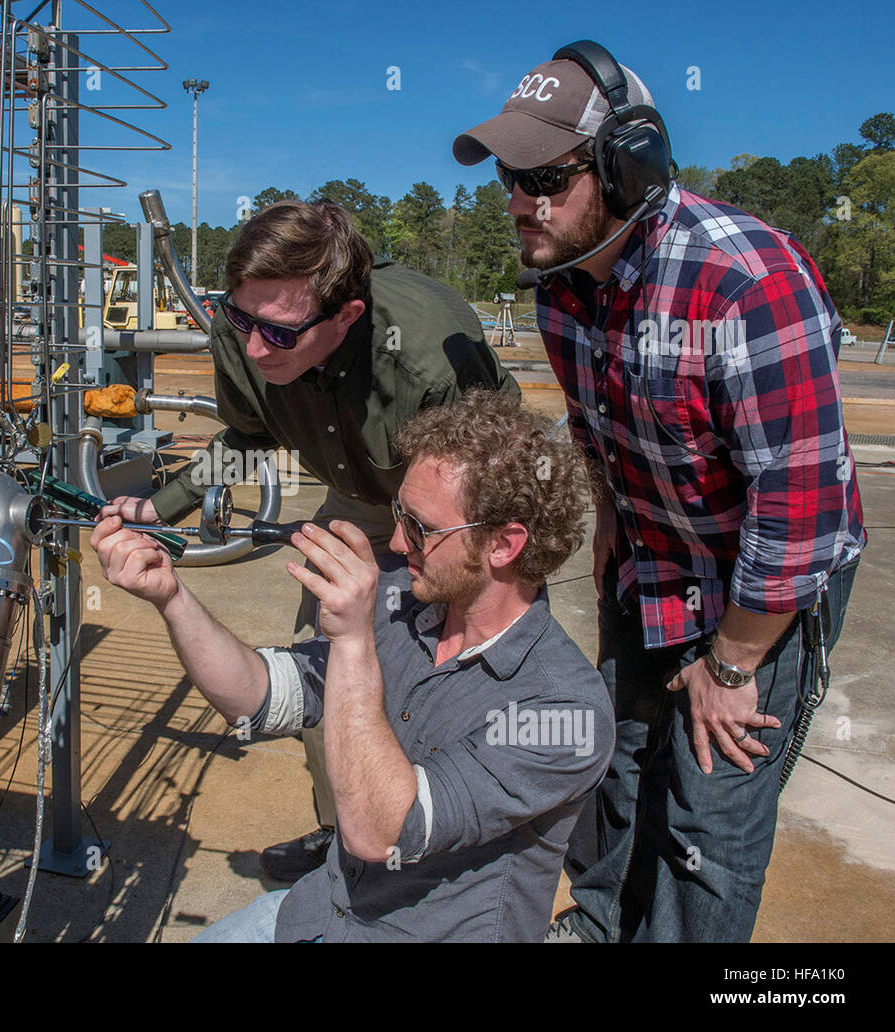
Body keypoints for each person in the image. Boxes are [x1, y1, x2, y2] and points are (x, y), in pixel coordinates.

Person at [452, 40, 866, 942]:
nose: (522, 201)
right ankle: (602, 927)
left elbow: (800, 508)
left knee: (706, 815)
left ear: (626, 167)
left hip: (763, 581)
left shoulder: (744, 281)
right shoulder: (561, 288)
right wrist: (611, 511)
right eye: (510, 181)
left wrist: (733, 665)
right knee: (619, 758)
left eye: (546, 177)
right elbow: (594, 416)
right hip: (651, 553)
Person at [92, 388, 612, 941]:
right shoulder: (404, 603)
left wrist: (354, 640)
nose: (394, 541)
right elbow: (259, 698)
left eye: (421, 528)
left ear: (504, 545)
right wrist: (170, 597)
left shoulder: (565, 711)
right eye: (399, 516)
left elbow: (385, 832)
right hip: (321, 910)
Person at [103, 200, 519, 881]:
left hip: (464, 505)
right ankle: (347, 838)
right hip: (359, 497)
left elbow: (486, 493)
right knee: (328, 675)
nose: (255, 346)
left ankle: (452, 862)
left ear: (347, 316)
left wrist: (430, 586)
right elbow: (248, 439)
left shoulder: (426, 361)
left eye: (280, 333)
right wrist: (158, 508)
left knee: (454, 682)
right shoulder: (244, 329)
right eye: (242, 320)